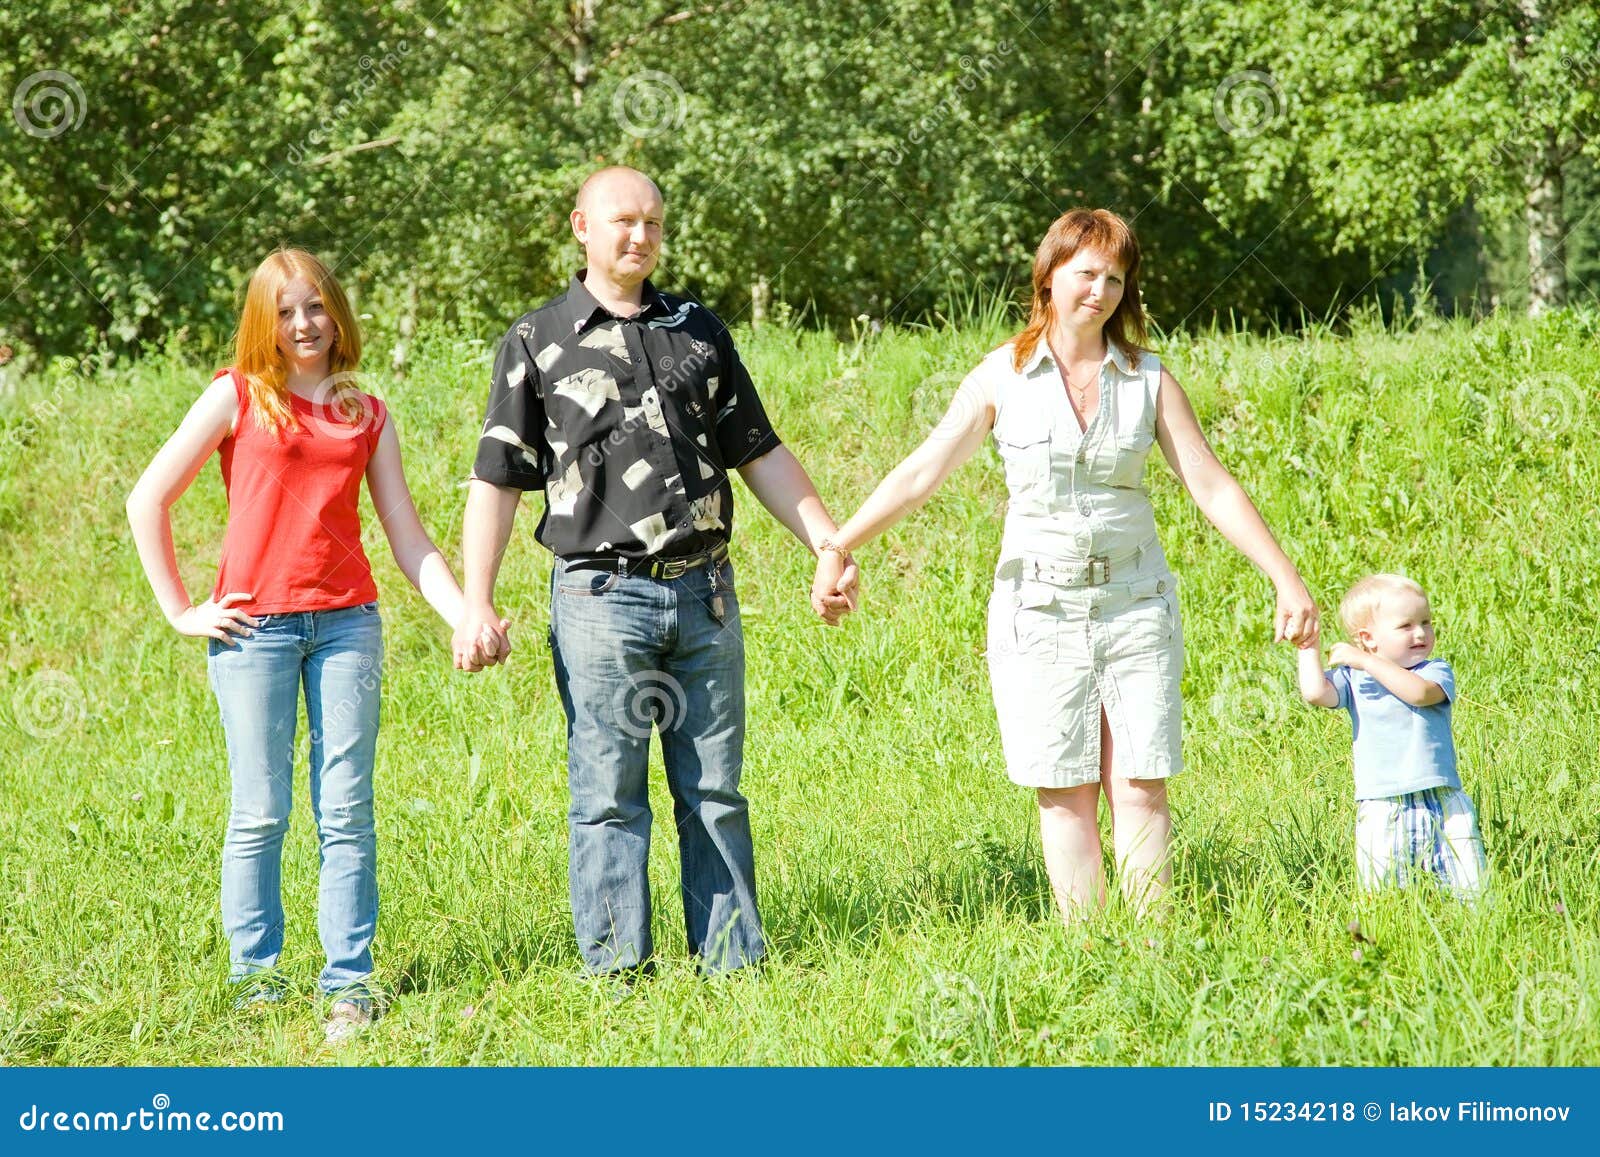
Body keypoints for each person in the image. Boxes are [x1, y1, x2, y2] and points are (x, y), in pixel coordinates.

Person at [823, 208, 1317, 921]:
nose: (1101, 290)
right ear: (1049, 275)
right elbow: (921, 472)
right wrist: (841, 543)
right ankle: (1087, 948)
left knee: (1140, 782)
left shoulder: (1148, 379)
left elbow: (1211, 483)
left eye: (1116, 277)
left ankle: (1152, 949)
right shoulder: (1002, 376)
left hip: (1136, 604)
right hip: (1040, 613)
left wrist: (1284, 575)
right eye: (1087, 273)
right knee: (1065, 787)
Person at [453, 166, 858, 976]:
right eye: (621, 221)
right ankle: (617, 976)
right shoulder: (539, 340)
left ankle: (733, 965)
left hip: (705, 593)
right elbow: (498, 478)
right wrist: (476, 601)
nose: (638, 236)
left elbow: (760, 450)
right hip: (600, 598)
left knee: (715, 792)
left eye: (652, 223)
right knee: (608, 796)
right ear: (581, 226)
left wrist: (826, 539)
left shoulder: (698, 331)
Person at [127, 249, 473, 1042]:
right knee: (260, 810)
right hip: (254, 630)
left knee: (347, 808)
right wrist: (182, 610)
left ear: (336, 311)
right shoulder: (236, 396)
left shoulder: (365, 412)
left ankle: (347, 985)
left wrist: (461, 613)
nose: (304, 324)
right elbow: (147, 498)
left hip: (349, 625)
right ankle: (257, 984)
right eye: (285, 311)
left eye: (315, 306)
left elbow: (408, 537)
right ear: (264, 321)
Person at [1296, 573, 1487, 900]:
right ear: (1369, 638)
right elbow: (1316, 693)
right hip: (1383, 803)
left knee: (1471, 890)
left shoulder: (1433, 671)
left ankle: (1476, 935)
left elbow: (1418, 694)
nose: (1421, 633)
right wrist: (1307, 647)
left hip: (1441, 799)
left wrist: (1366, 662)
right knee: (1380, 896)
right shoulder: (1354, 677)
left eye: (1426, 622)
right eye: (1406, 626)